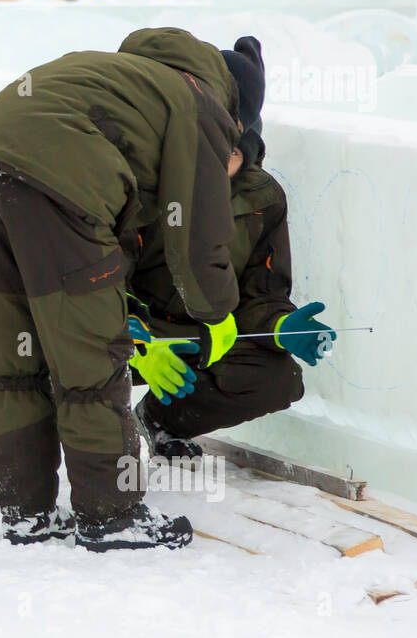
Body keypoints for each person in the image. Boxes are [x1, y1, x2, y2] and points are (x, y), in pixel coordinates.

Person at [0, 27, 244, 553]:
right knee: (90, 361)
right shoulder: (199, 102)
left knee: (16, 357)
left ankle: (25, 510)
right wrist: (216, 312)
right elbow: (197, 237)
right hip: (60, 177)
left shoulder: (120, 78)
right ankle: (112, 515)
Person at [125, 37, 336, 457]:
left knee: (276, 379)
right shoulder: (142, 180)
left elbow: (261, 296)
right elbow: (99, 274)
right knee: (69, 353)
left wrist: (282, 327)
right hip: (135, 330)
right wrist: (134, 340)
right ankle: (88, 434)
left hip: (208, 333)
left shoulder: (263, 200)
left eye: (231, 152)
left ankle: (159, 420)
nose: (216, 161)